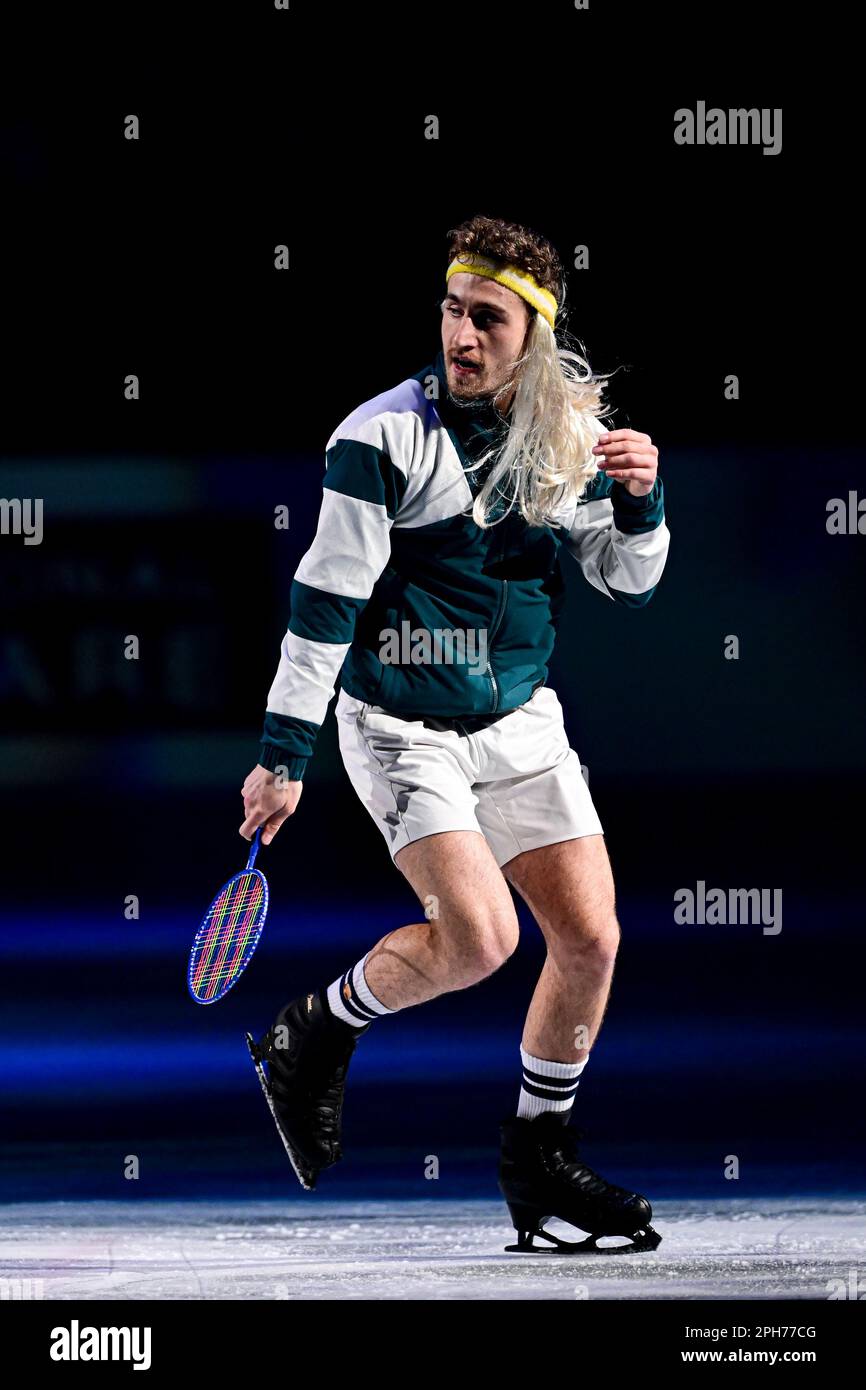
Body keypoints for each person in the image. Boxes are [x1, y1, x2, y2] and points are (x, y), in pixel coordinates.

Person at [242, 215, 668, 1253]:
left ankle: (538, 1156)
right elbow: (323, 602)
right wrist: (283, 754)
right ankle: (314, 1032)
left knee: (590, 938)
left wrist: (639, 503)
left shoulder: (565, 431)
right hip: (400, 726)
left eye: (486, 317)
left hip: (518, 719)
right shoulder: (376, 437)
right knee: (481, 938)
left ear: (535, 332)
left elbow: (624, 580)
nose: (460, 335)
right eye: (450, 310)